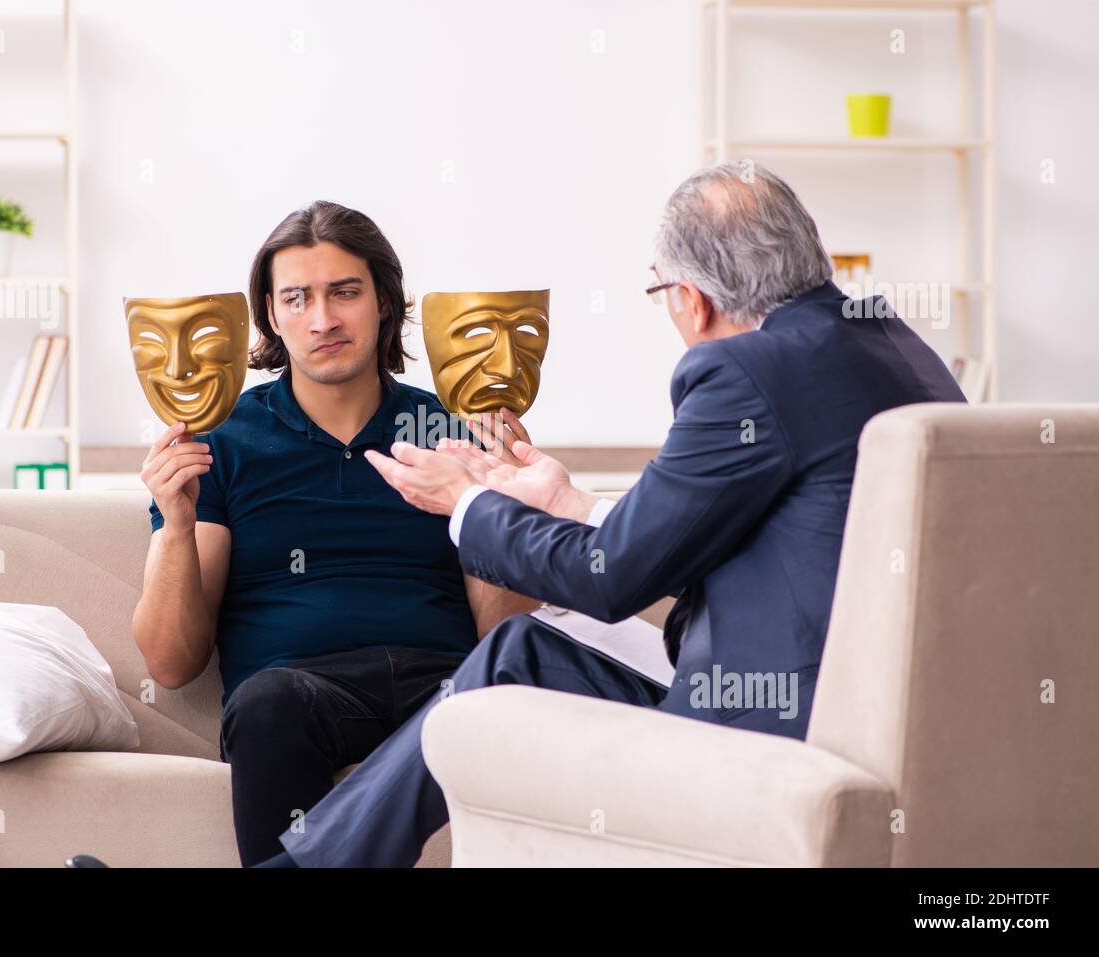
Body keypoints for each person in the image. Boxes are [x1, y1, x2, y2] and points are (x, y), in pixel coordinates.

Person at [258, 162, 966, 867]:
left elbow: (609, 580)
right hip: (870, 712)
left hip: (766, 729)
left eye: (661, 293)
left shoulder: (744, 372)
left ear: (692, 298)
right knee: (520, 651)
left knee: (513, 656)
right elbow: (714, 528)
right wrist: (568, 504)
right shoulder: (895, 347)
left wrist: (466, 503)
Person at [132, 201, 534, 866]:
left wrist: (500, 506)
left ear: (384, 302)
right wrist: (175, 522)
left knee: (503, 693)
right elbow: (171, 663)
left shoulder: (452, 429)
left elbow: (504, 636)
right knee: (267, 704)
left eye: (345, 292)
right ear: (270, 314)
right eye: (298, 297)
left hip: (443, 688)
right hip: (297, 694)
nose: (323, 319)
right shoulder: (221, 441)